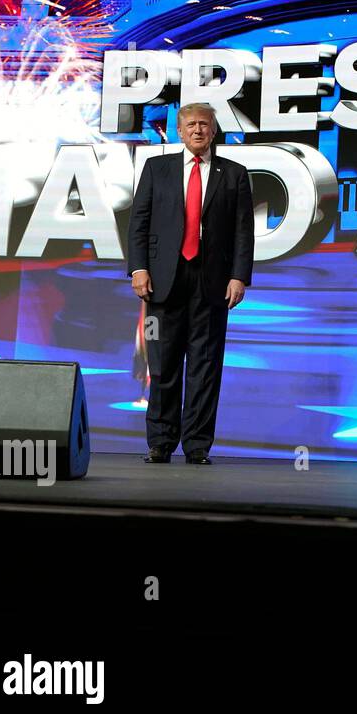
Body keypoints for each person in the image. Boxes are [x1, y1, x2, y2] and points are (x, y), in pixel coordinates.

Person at [127, 102, 254, 465]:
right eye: (191, 125)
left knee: (205, 365)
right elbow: (139, 223)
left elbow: (243, 232)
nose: (198, 130)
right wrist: (138, 269)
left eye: (205, 125)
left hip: (212, 281)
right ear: (180, 132)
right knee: (162, 365)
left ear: (213, 131)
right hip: (163, 281)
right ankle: (160, 442)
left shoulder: (235, 174)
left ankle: (197, 445)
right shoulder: (156, 169)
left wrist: (239, 276)